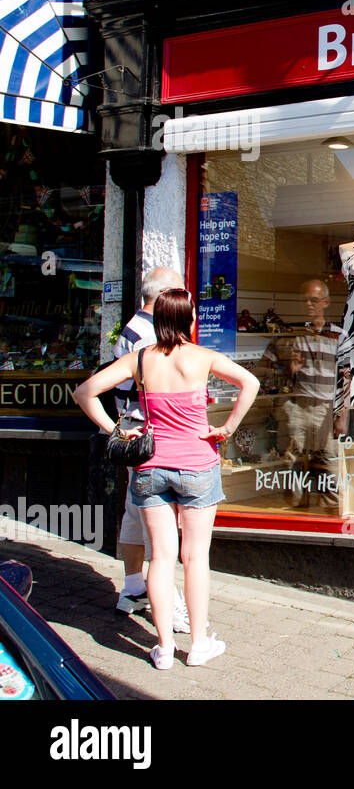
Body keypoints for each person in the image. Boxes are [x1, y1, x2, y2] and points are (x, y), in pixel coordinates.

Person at [75, 289, 260, 669]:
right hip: (197, 465)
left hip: (150, 467)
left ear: (157, 319)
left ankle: (162, 648)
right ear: (190, 320)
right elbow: (250, 384)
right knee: (195, 558)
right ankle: (197, 644)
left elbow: (85, 392)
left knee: (160, 558)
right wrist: (226, 428)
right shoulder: (203, 357)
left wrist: (117, 429)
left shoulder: (139, 359)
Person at [112, 266, 190, 633]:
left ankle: (132, 589)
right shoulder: (148, 336)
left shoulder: (132, 328)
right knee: (158, 519)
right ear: (164, 297)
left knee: (135, 511)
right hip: (150, 435)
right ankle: (169, 603)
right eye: (180, 292)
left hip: (132, 431)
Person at [254, 280, 344, 508]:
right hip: (298, 405)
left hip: (327, 407)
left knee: (329, 463)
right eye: (305, 300)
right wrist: (288, 371)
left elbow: (349, 377)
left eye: (314, 300)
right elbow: (263, 368)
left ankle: (331, 516)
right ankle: (296, 512)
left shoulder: (338, 336)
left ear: (326, 303)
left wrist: (342, 413)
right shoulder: (291, 334)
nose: (308, 304)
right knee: (293, 464)